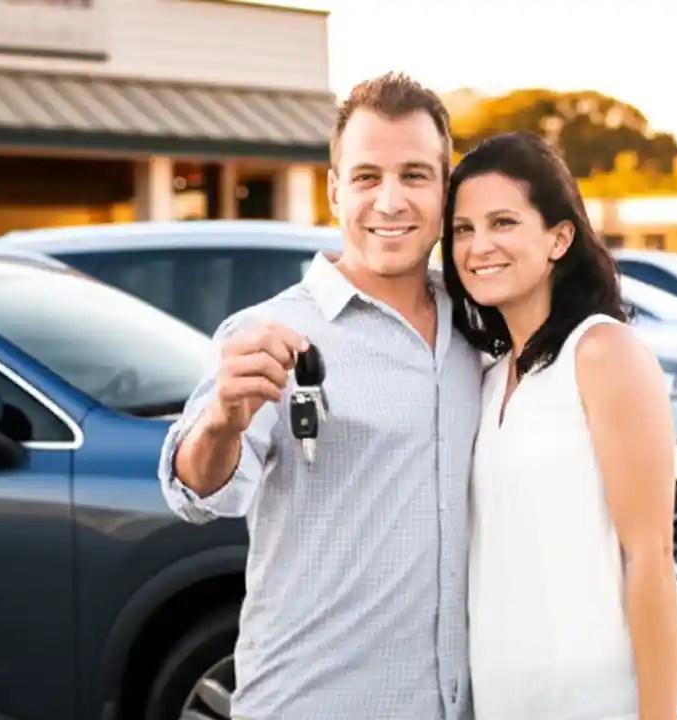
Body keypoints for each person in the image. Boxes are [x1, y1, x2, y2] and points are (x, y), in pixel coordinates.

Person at [157, 72, 483, 719]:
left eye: (415, 175)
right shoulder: (268, 333)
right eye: (367, 177)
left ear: (446, 190)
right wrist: (222, 418)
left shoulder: (479, 330)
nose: (389, 201)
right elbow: (195, 493)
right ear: (335, 191)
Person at [441, 131, 677, 720]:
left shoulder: (601, 352)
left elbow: (649, 554)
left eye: (503, 223)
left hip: (626, 705)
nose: (478, 246)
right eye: (463, 229)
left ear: (559, 237)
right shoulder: (492, 376)